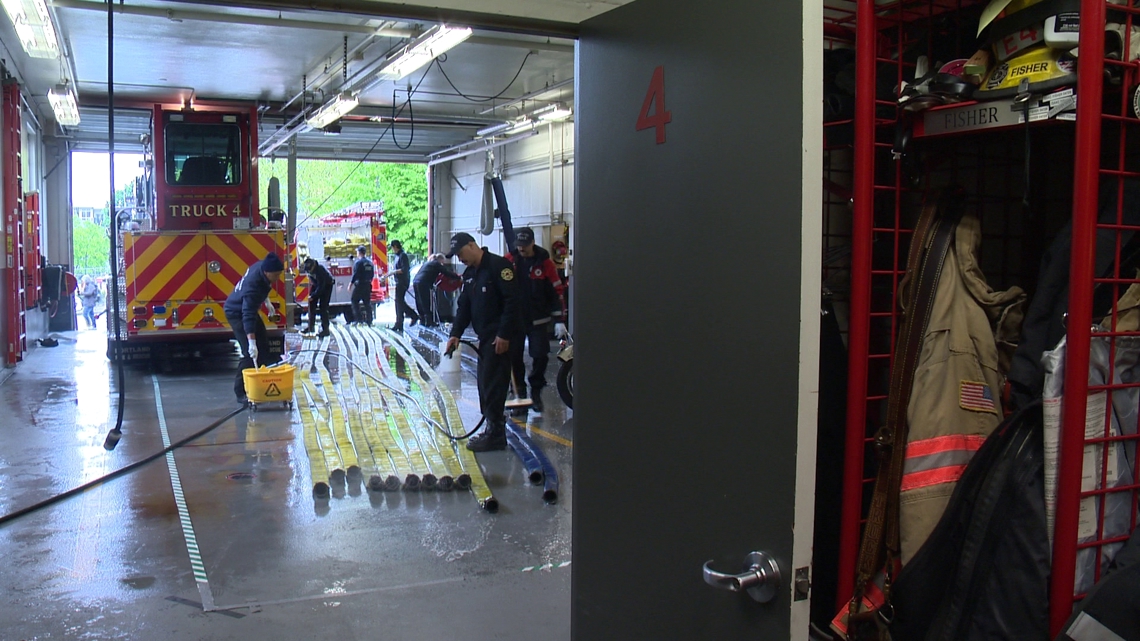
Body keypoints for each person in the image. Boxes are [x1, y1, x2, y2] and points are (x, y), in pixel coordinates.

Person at [445, 232, 521, 452]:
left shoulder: (499, 267)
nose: (460, 259)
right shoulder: (470, 275)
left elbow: (512, 302)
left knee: (494, 385)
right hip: (485, 338)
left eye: (461, 253)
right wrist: (455, 334)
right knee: (485, 384)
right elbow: (464, 308)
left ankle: (496, 434)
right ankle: (491, 428)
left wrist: (504, 334)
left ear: (472, 245)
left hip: (500, 337)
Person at [508, 227, 568, 414]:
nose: (522, 249)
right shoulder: (509, 262)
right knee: (514, 358)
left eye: (525, 246)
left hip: (539, 319)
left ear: (532, 243)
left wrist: (559, 318)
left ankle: (535, 392)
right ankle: (520, 395)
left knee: (540, 356)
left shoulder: (545, 264)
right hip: (516, 320)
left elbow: (556, 292)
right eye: (519, 246)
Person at [224, 253, 284, 404]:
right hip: (236, 312)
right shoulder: (253, 287)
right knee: (249, 354)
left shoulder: (261, 267)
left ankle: (262, 384)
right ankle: (241, 392)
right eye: (275, 275)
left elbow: (263, 286)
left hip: (247, 309)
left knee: (263, 345)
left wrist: (267, 301)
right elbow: (248, 315)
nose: (277, 278)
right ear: (267, 272)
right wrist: (251, 342)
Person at [413, 253, 460, 326]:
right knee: (425, 302)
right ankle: (429, 321)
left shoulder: (428, 263)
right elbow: (446, 273)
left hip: (416, 281)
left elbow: (429, 274)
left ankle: (422, 320)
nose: (443, 264)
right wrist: (458, 277)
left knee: (419, 302)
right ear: (440, 260)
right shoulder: (436, 264)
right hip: (423, 283)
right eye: (443, 262)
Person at [388, 239, 419, 331]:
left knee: (399, 302)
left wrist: (393, 272)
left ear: (395, 247)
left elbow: (404, 269)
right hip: (399, 281)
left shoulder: (403, 256)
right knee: (399, 302)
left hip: (403, 281)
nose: (392, 250)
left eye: (392, 247)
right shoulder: (398, 256)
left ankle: (408, 317)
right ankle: (401, 322)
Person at [302, 257, 333, 338]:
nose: (309, 272)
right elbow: (315, 284)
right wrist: (312, 296)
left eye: (310, 270)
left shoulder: (320, 270)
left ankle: (326, 330)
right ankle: (310, 327)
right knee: (311, 305)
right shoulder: (309, 270)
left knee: (323, 307)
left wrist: (314, 295)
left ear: (313, 266)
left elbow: (321, 286)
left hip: (327, 285)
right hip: (316, 284)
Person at [350, 246, 375, 325]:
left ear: (359, 253)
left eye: (357, 252)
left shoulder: (359, 262)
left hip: (360, 285)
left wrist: (350, 284)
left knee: (354, 300)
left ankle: (359, 319)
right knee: (367, 302)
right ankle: (369, 320)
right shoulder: (370, 263)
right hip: (367, 284)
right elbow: (372, 274)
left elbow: (356, 274)